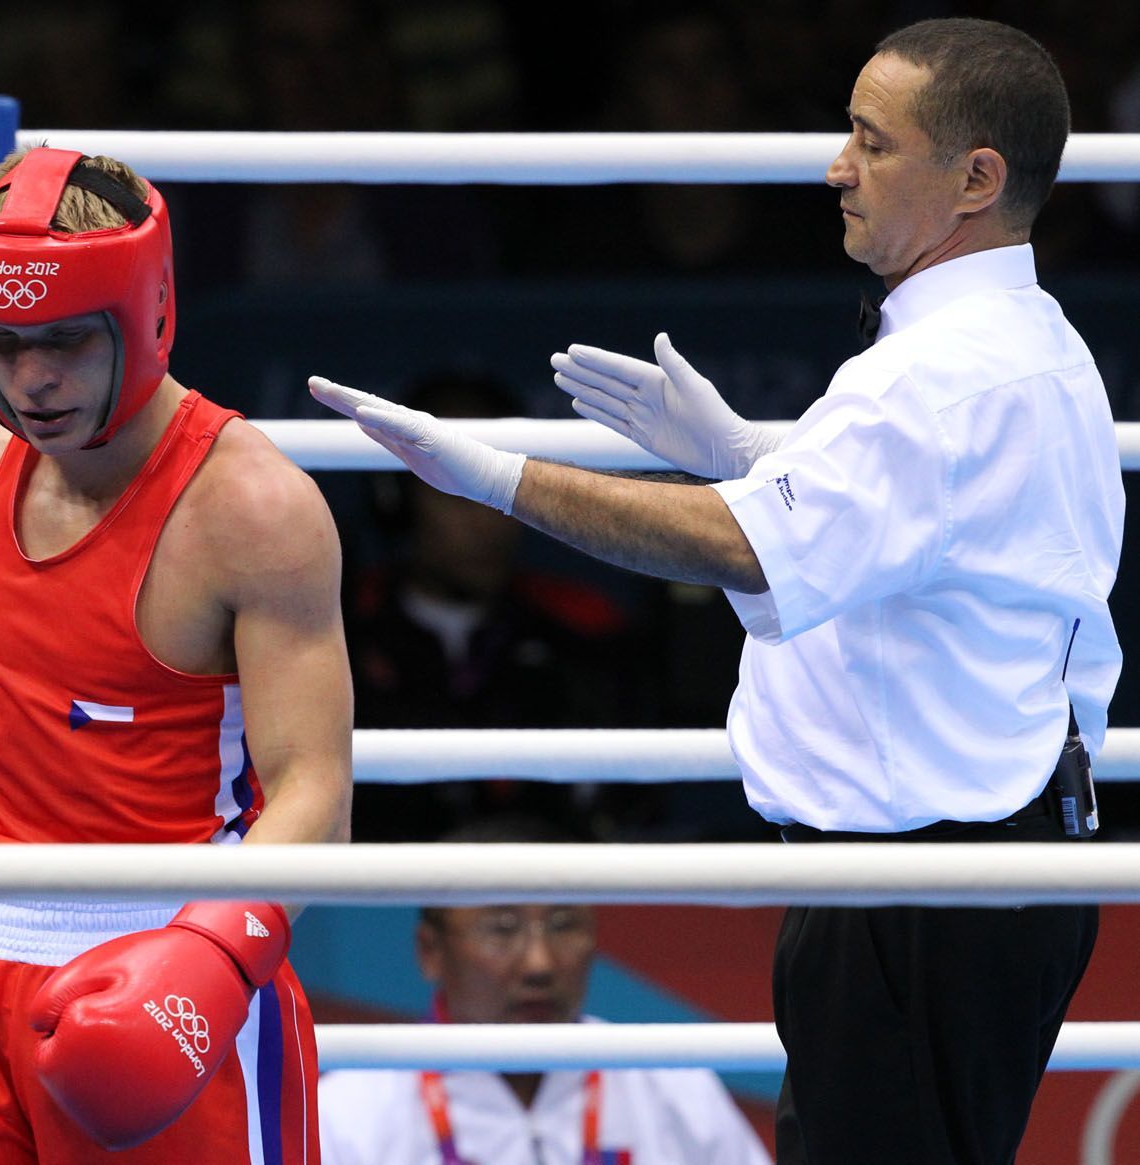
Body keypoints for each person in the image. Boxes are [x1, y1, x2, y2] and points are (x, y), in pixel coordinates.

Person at [308, 17, 1122, 1164]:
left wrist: (493, 477)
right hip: (956, 874)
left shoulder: (940, 378)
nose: (837, 167)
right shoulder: (1022, 343)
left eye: (873, 142)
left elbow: (740, 546)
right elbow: (916, 528)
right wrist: (749, 456)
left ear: (975, 180)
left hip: (923, 887)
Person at [0, 147, 353, 1163]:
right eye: (3, 342)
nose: (32, 378)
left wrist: (211, 958)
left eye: (67, 339)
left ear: (146, 311)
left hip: (158, 965)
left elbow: (315, 790)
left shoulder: (250, 509)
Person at [318, 816, 772, 1165]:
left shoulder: (671, 1085)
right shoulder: (349, 1110)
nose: (539, 963)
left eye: (563, 924)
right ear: (430, 950)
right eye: (502, 928)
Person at [345, 370, 658, 843]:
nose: (486, 522)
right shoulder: (340, 628)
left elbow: (633, 806)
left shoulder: (584, 630)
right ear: (396, 500)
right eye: (456, 491)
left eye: (500, 491)